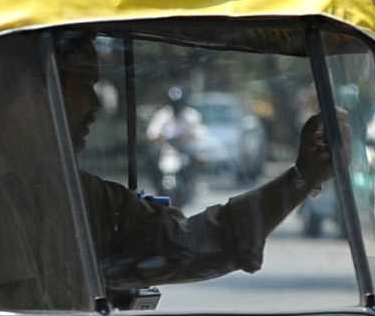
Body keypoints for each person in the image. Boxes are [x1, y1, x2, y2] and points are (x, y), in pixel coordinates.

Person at [53, 38, 332, 300]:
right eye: (83, 84)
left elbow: (190, 243)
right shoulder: (61, 199)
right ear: (39, 89)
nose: (95, 104)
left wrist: (303, 176)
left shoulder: (88, 200)